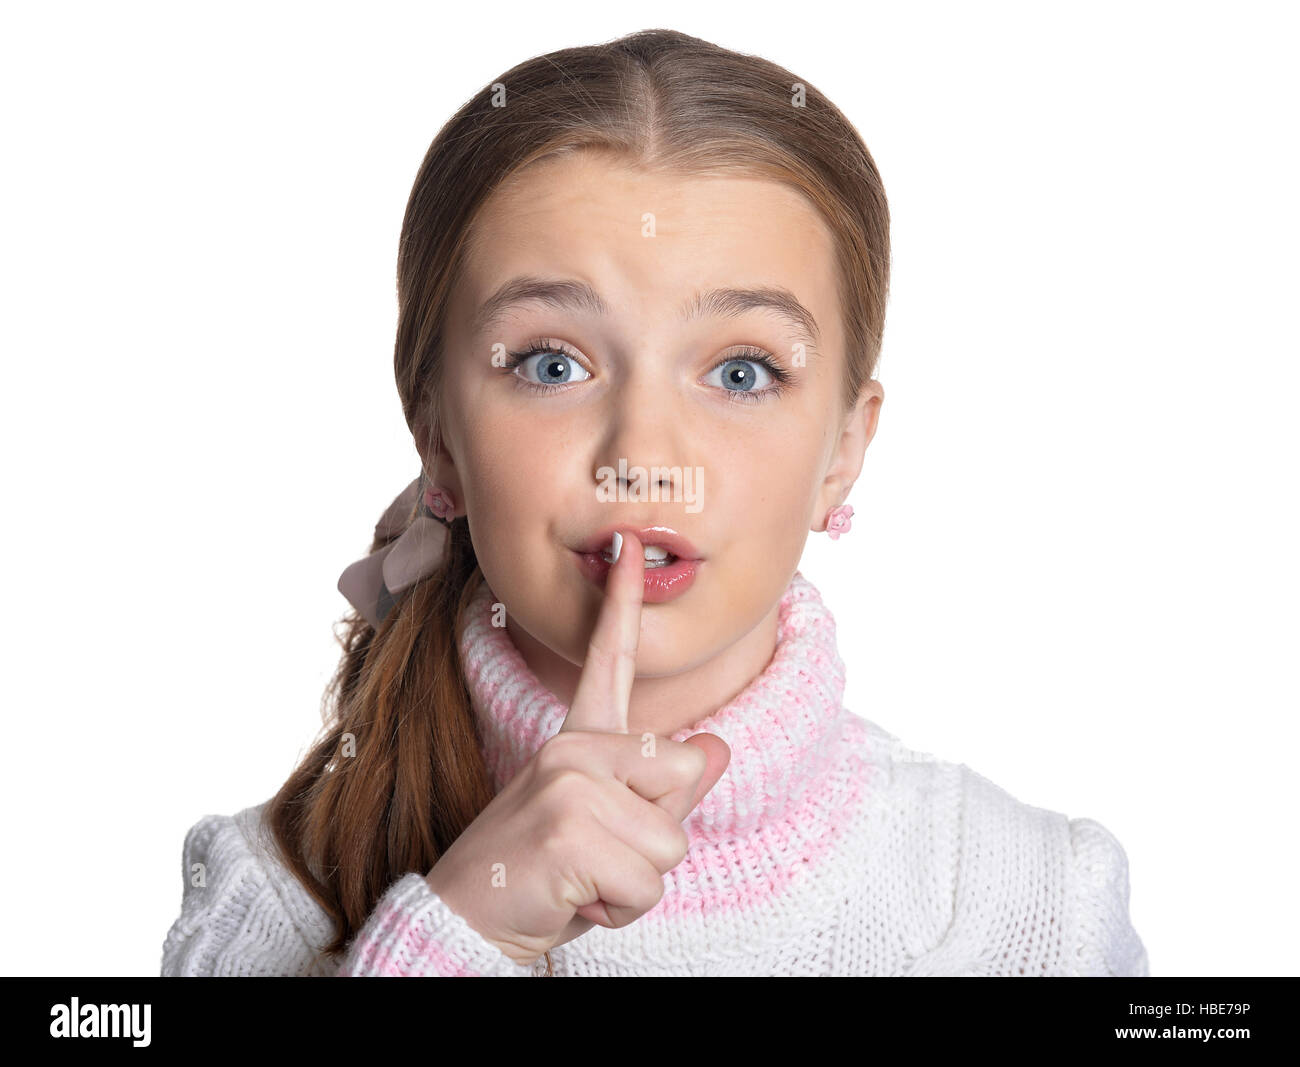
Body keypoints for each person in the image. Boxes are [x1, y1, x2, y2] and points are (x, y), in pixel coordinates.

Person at [161, 27, 1148, 977]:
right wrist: (453, 937)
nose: (642, 455)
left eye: (743, 371)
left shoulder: (1038, 904)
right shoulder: (272, 893)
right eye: (553, 362)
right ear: (435, 434)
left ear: (844, 447)